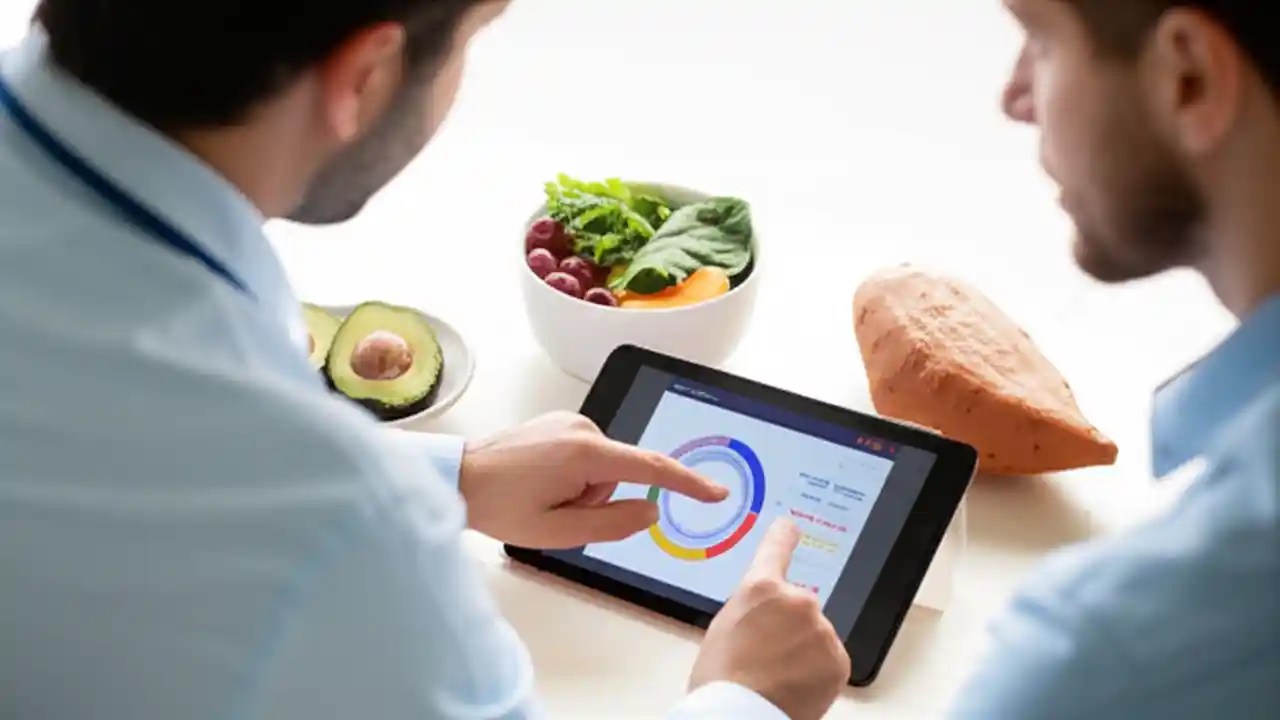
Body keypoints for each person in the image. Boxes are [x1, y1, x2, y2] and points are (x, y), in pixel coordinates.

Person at [0, 2, 849, 720]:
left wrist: (451, 476)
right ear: (364, 74)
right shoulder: (343, 536)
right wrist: (748, 696)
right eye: (471, 42)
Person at [946, 1, 1279, 717]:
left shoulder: (1098, 660)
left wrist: (743, 697)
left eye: (1041, 38)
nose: (1014, 97)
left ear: (1187, 77)